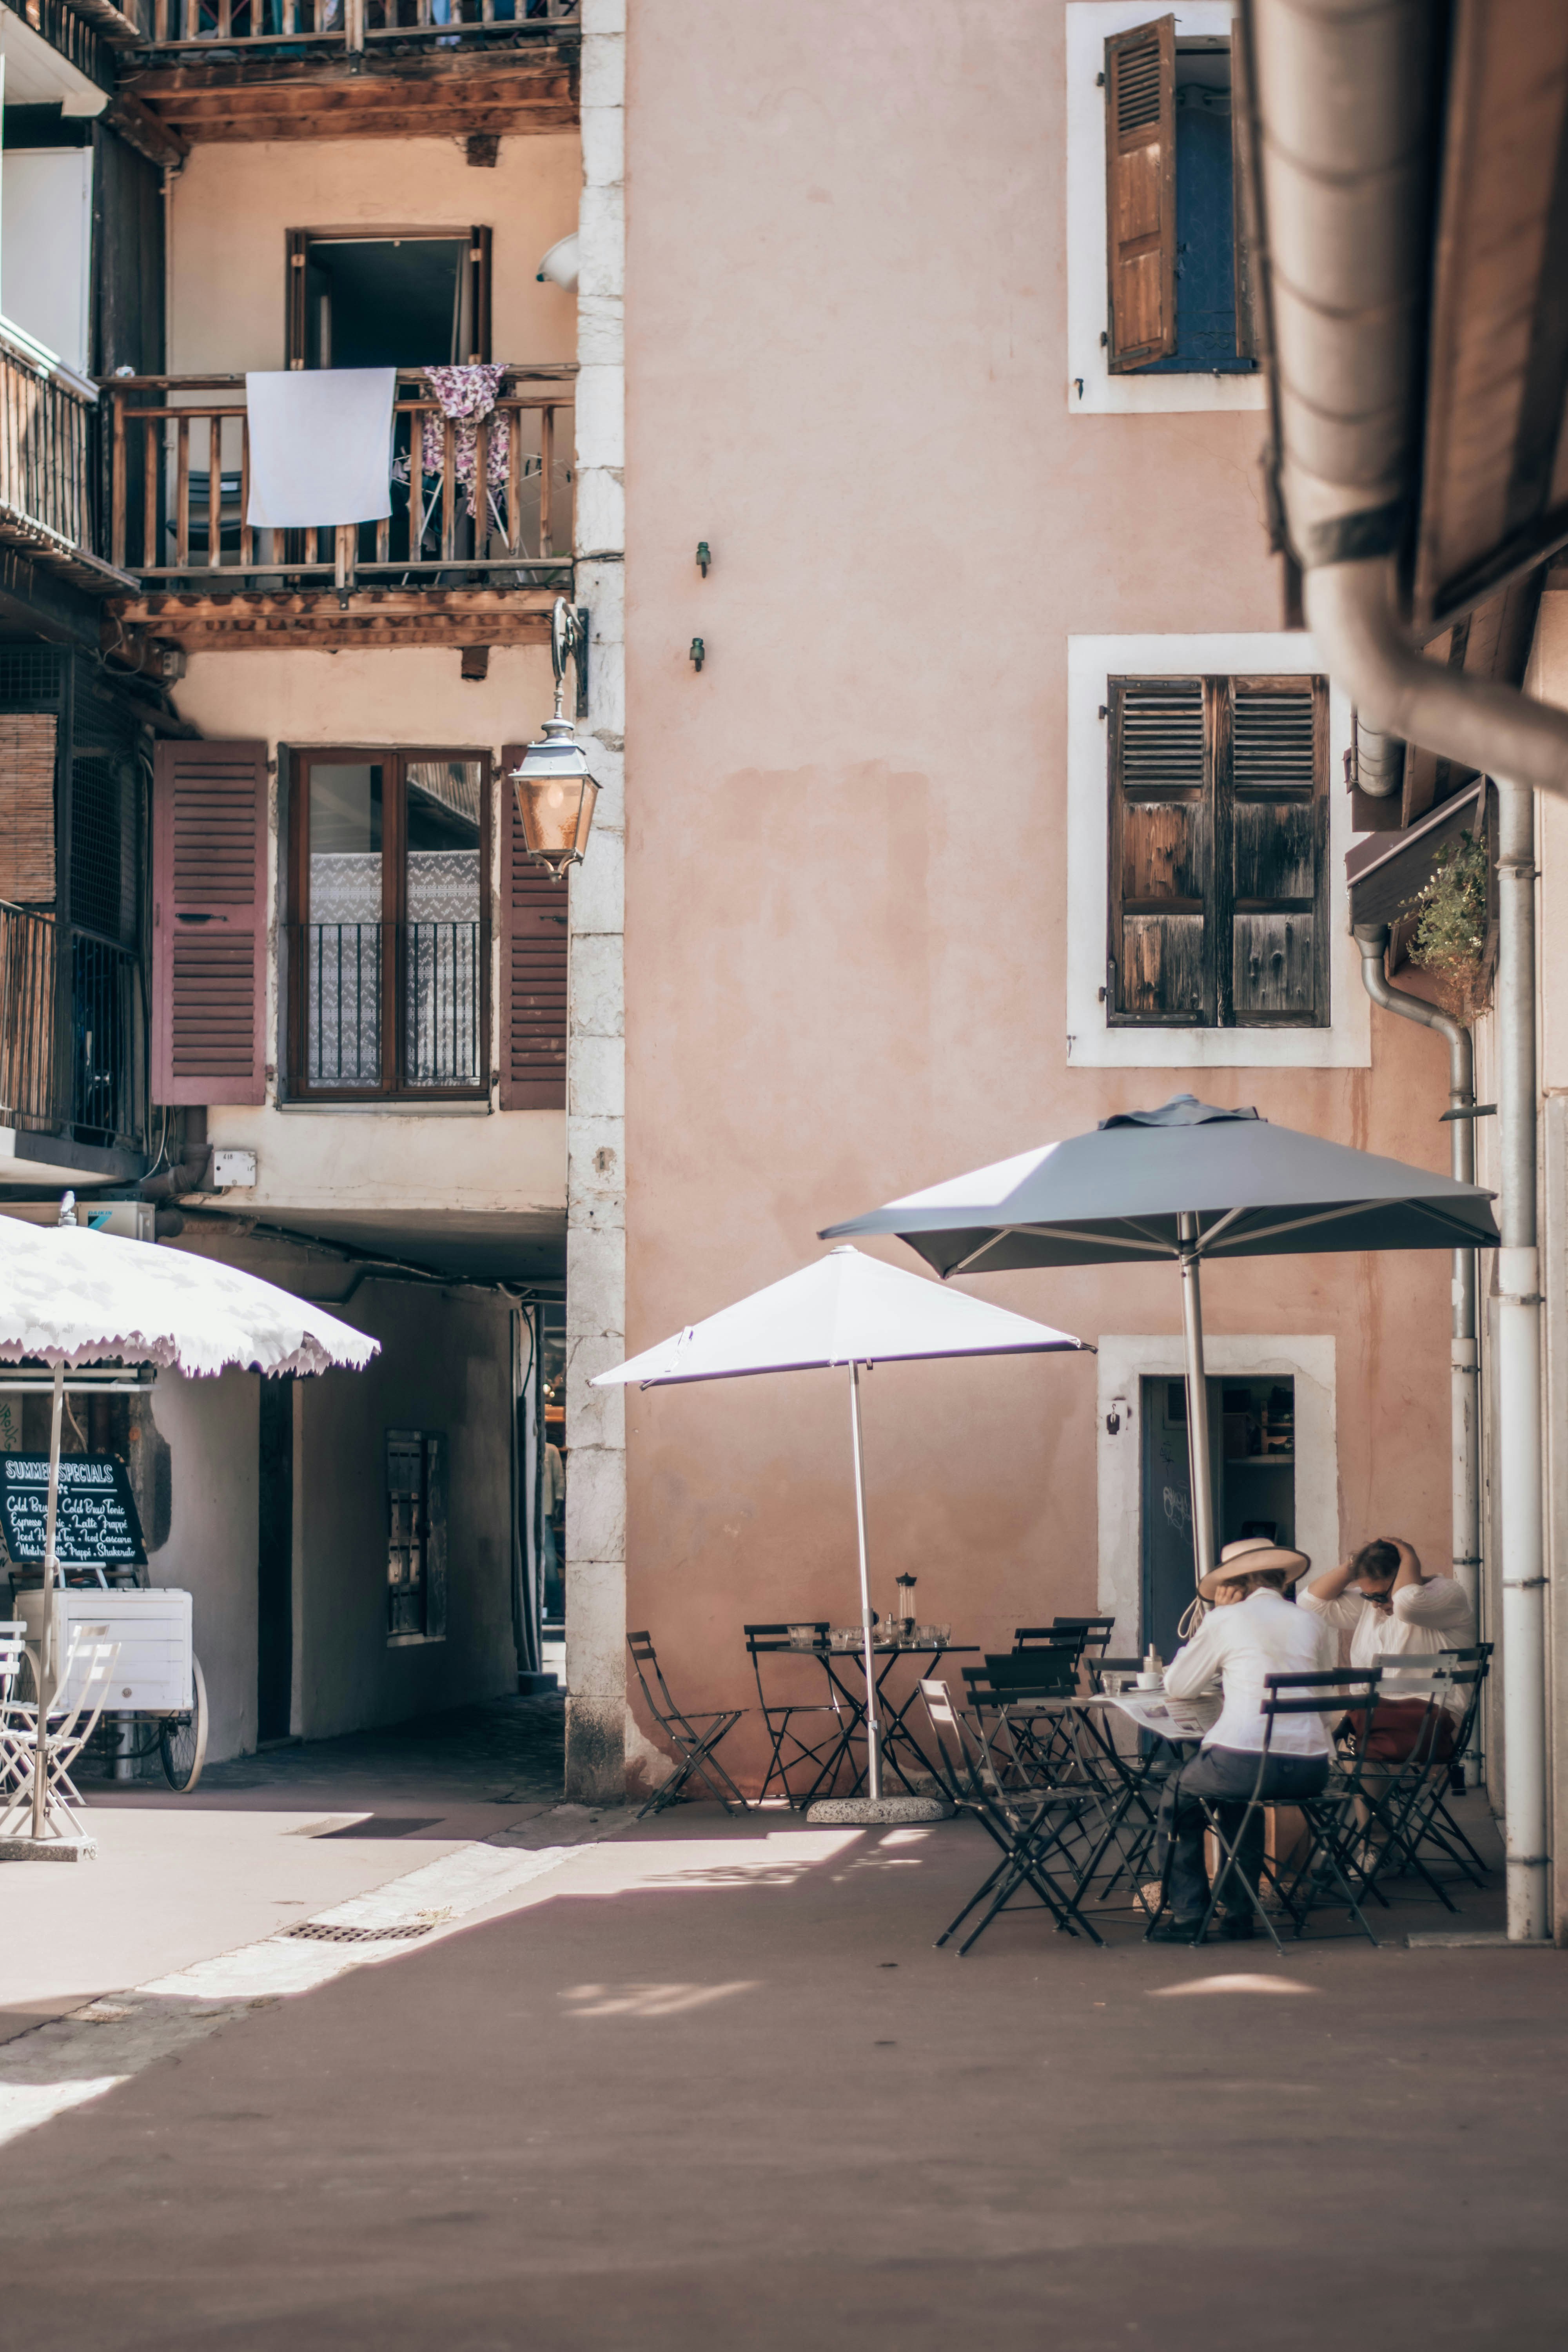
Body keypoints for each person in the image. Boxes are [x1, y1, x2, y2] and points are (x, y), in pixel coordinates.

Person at [1149, 1536, 1336, 1943]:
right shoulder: (1311, 1621)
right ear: (1280, 1580)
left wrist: (1213, 1618)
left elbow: (1179, 1685)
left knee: (1177, 1798)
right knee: (1238, 1803)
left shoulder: (1225, 1619)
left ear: (1233, 1583)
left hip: (1245, 1762)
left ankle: (1188, 1915)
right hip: (1311, 1768)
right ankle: (1238, 1912)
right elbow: (1326, 1704)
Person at [1298, 1535, 1475, 1773]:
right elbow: (1310, 1605)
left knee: (1352, 1731)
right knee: (1314, 1726)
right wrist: (1356, 1565)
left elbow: (1407, 1604)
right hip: (1376, 1717)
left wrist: (1408, 1556)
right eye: (1368, 1596)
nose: (1375, 1604)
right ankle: (1373, 1812)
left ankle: (1373, 1808)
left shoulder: (1444, 1594)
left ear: (1404, 1574)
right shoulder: (1375, 1607)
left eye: (1381, 1596)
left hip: (1433, 1718)